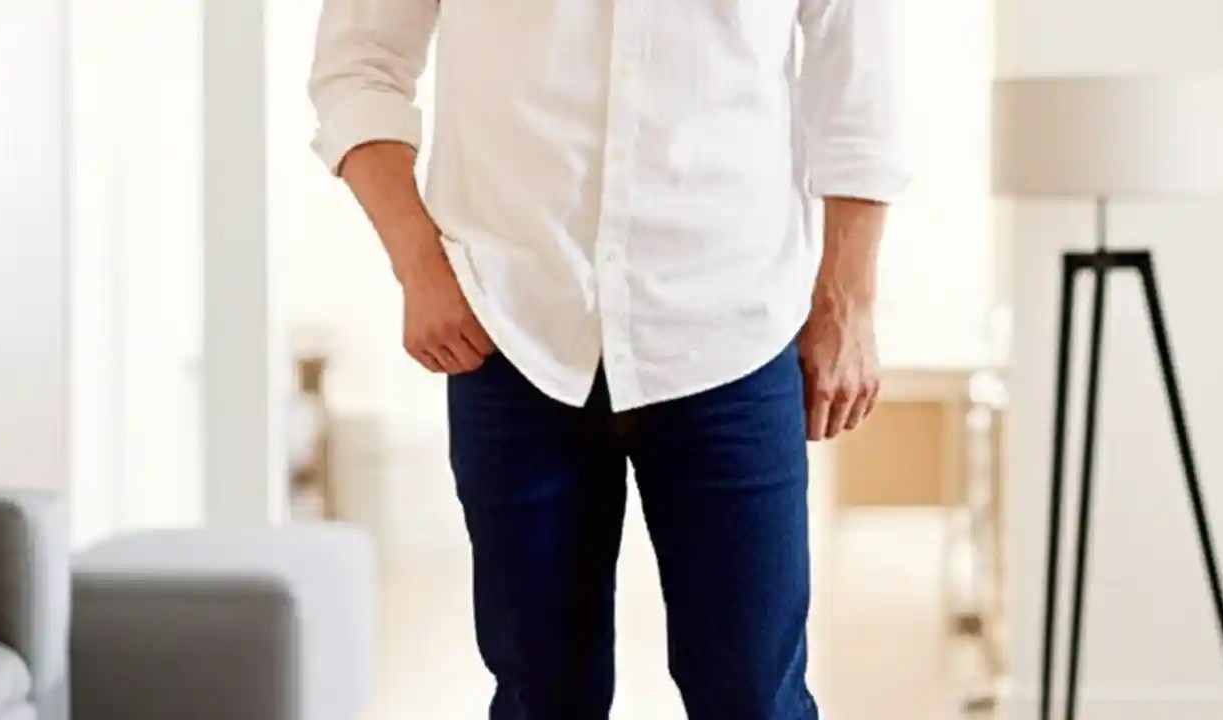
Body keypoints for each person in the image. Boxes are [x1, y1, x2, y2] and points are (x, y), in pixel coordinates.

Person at [310, 1, 907, 717]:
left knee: (755, 699)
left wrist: (849, 301)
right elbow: (358, 66)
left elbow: (858, 78)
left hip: (731, 326)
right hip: (512, 327)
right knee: (541, 696)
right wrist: (418, 266)